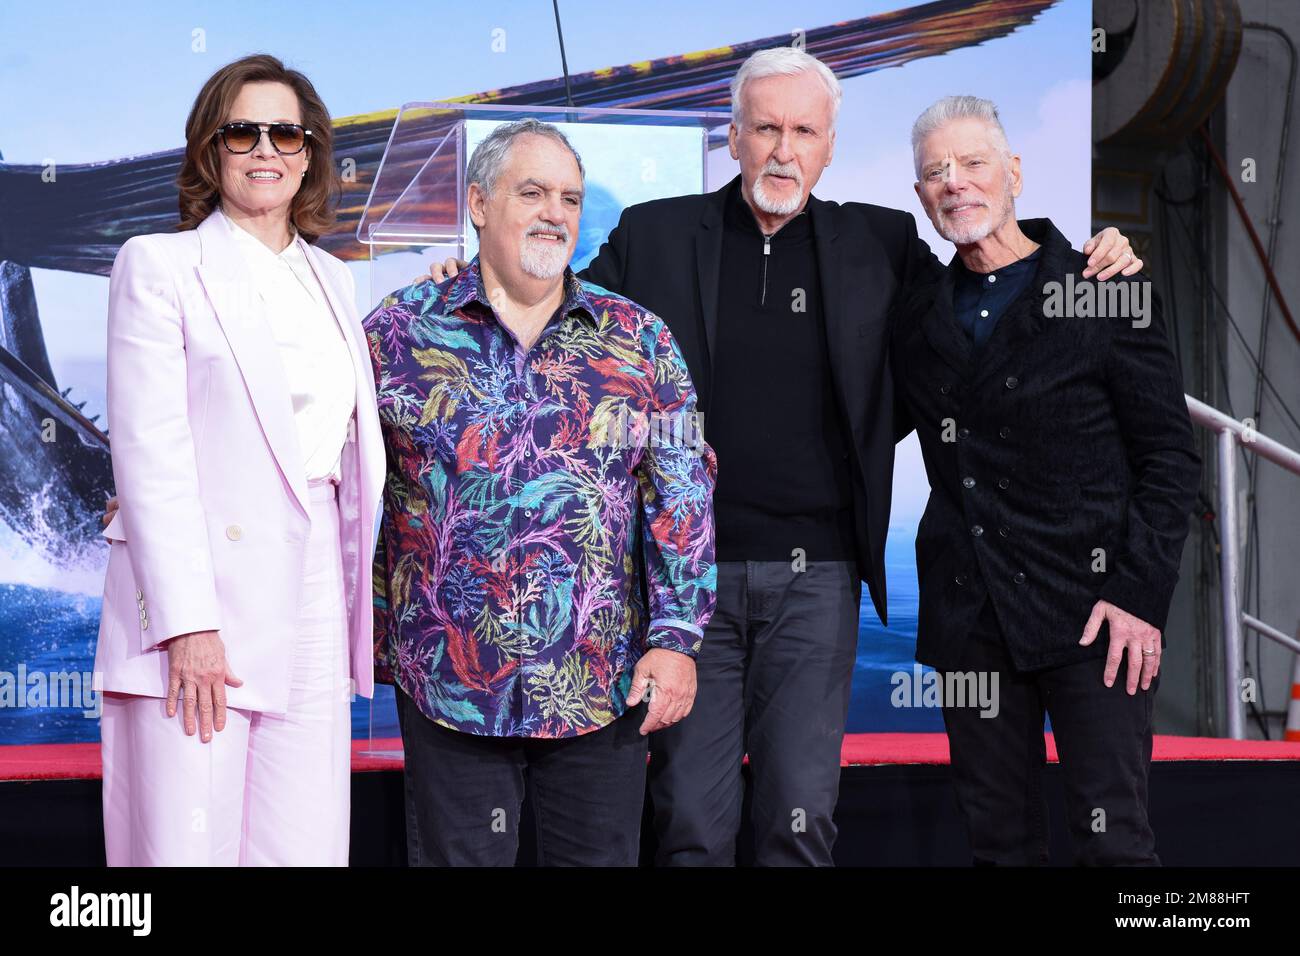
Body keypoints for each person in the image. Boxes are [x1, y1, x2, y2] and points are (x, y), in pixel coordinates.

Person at [429, 47, 1143, 866]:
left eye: (804, 130)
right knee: (690, 822)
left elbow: (988, 279)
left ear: (829, 146)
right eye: (765, 127)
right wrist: (470, 278)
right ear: (731, 137)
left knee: (798, 820)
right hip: (680, 587)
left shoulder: (881, 242)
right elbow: (553, 312)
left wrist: (1094, 260)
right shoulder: (654, 235)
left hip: (819, 581)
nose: (783, 149)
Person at [366, 119, 717, 866]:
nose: (555, 211)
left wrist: (677, 638)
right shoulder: (396, 334)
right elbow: (335, 477)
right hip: (448, 686)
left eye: (569, 196)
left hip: (598, 686)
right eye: (532, 192)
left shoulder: (641, 340)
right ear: (479, 204)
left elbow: (682, 496)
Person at [891, 95, 1200, 865]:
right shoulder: (916, 313)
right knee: (998, 842)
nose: (954, 183)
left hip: (1096, 617)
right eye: (934, 172)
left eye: (971, 162)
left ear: (1015, 172)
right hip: (970, 622)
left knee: (1115, 843)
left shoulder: (1103, 284)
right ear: (921, 195)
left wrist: (1137, 596)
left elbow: (1169, 459)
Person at [94, 54, 385, 866]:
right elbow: (151, 456)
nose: (266, 149)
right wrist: (189, 624)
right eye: (242, 131)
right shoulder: (159, 266)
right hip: (202, 596)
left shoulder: (334, 279)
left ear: (310, 150)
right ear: (210, 150)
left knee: (305, 843)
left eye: (285, 132)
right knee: (188, 844)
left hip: (317, 583)